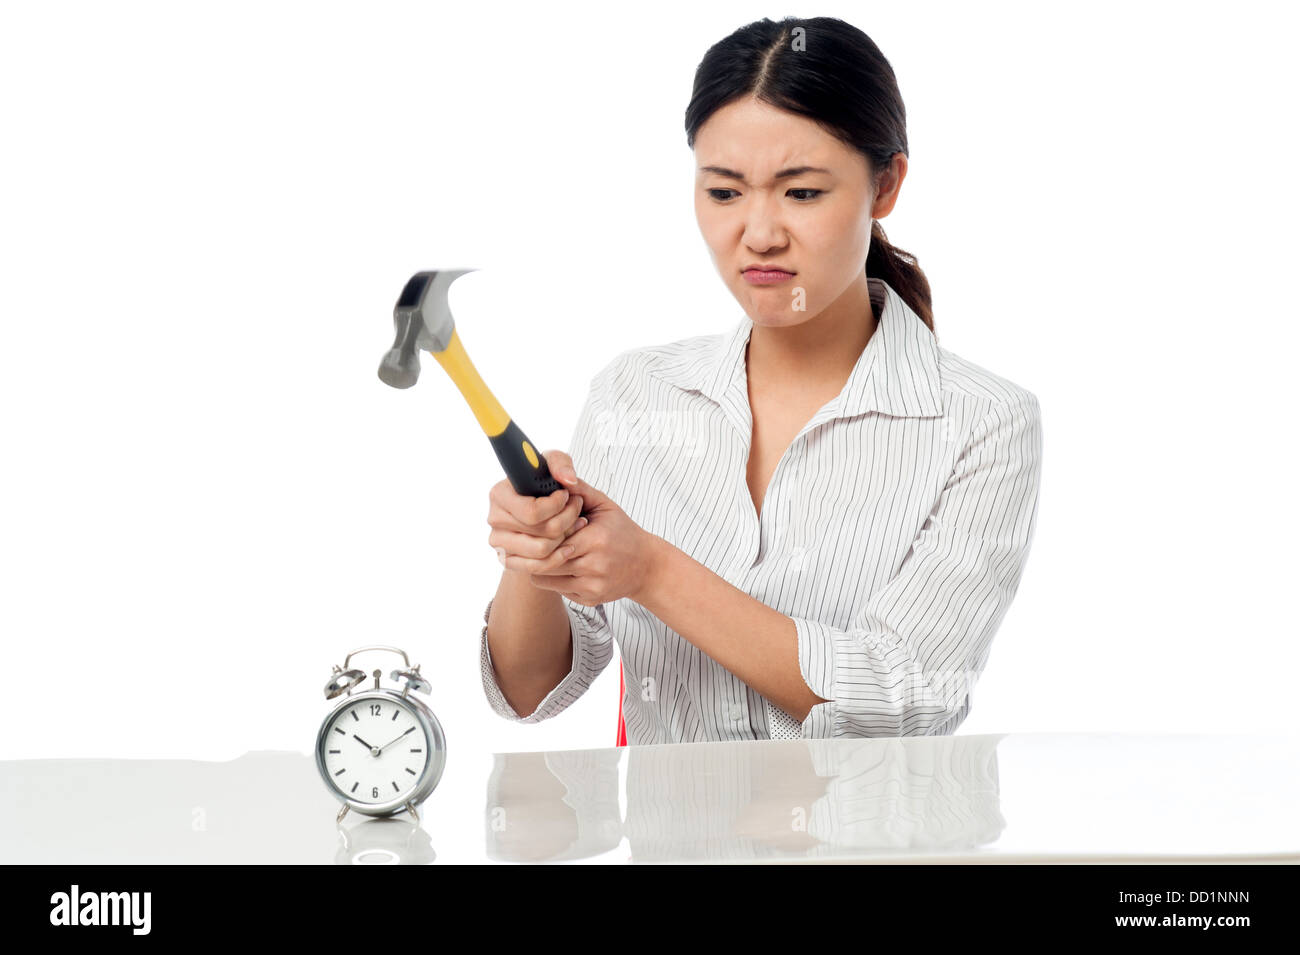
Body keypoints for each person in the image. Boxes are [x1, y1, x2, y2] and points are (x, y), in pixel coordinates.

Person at [478, 15, 1043, 744]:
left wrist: (651, 569)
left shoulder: (982, 423)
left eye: (801, 192)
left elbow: (905, 695)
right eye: (724, 192)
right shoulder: (634, 396)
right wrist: (535, 553)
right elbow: (527, 692)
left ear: (886, 185)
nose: (760, 233)